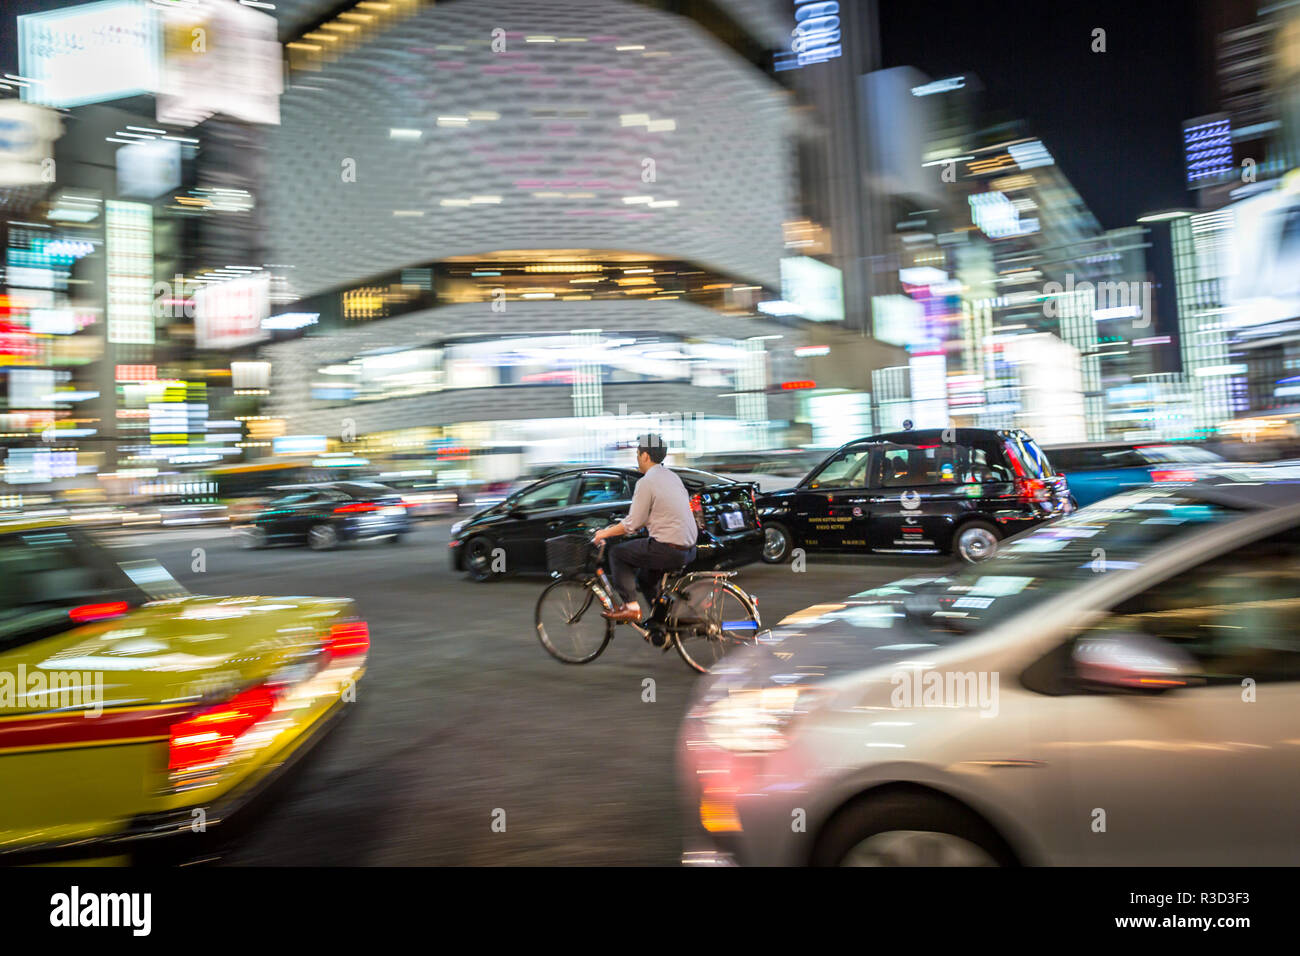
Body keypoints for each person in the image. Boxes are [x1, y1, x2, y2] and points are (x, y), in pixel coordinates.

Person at [593, 434, 698, 634]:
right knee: (645, 578)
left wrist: (605, 533)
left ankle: (631, 607)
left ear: (646, 456)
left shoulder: (647, 481)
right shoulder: (672, 477)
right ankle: (662, 625)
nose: (637, 458)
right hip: (688, 548)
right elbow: (660, 513)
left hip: (668, 548)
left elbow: (632, 524)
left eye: (638, 454)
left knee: (617, 553)